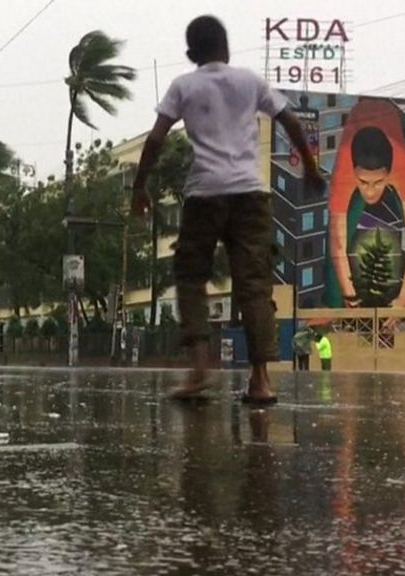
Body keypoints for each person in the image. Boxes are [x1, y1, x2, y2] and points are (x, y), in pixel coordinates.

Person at [131, 15, 324, 405]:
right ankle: (261, 380)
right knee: (253, 285)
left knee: (190, 276)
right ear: (227, 47)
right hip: (250, 195)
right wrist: (310, 165)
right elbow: (289, 120)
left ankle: (200, 367)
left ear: (190, 54)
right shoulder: (250, 81)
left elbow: (155, 139)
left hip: (204, 195)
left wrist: (140, 186)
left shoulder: (183, 85)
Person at [326, 100, 405, 311]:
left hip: (395, 123)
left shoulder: (403, 167)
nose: (370, 192)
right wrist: (351, 299)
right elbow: (338, 243)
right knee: (337, 232)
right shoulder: (343, 172)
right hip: (357, 123)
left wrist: (403, 302)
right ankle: (332, 306)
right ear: (354, 174)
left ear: (389, 175)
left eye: (378, 183)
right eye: (363, 182)